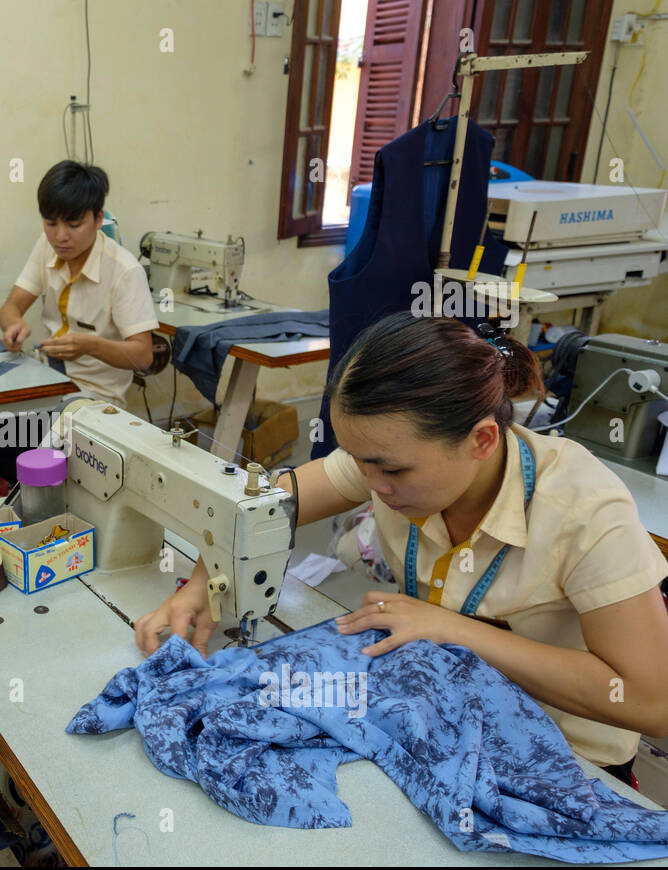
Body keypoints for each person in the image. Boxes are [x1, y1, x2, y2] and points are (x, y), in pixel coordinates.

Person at [133, 312, 668, 785]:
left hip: (565, 760)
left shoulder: (585, 511)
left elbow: (651, 701)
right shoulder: (384, 454)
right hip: (438, 712)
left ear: (481, 441)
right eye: (358, 461)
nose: (371, 484)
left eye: (390, 470)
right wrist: (206, 582)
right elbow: (269, 507)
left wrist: (456, 630)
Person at [0, 160, 158, 504]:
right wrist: (13, 324)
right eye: (50, 223)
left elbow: (143, 355)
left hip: (91, 403)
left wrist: (90, 346)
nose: (61, 236)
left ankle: (41, 505)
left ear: (98, 219)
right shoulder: (48, 249)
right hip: (44, 383)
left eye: (74, 224)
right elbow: (9, 307)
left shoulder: (124, 272)